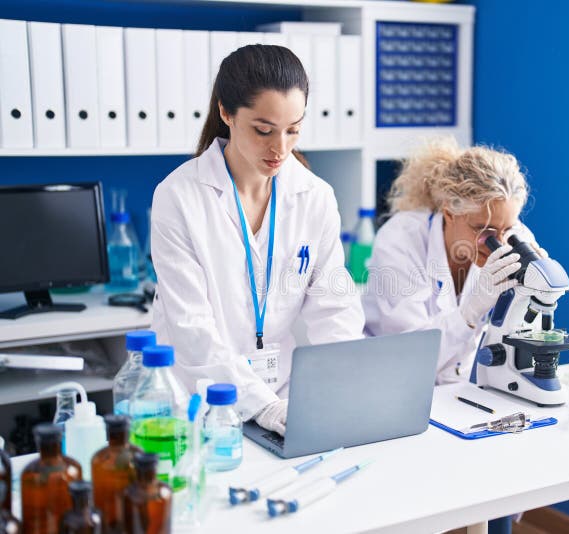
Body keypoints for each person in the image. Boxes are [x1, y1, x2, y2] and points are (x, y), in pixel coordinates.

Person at [150, 45, 364, 436]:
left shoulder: (314, 197)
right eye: (263, 130)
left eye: (293, 130)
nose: (280, 148)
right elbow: (192, 329)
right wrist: (262, 406)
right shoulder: (178, 197)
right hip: (197, 401)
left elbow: (335, 309)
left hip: (281, 399)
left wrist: (343, 384)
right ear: (226, 113)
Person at [364, 136, 546, 383]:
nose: (498, 243)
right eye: (484, 230)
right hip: (393, 384)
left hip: (468, 385)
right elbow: (410, 358)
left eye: (507, 230)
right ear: (450, 214)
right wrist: (469, 312)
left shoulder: (513, 237)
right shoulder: (401, 241)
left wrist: (535, 291)